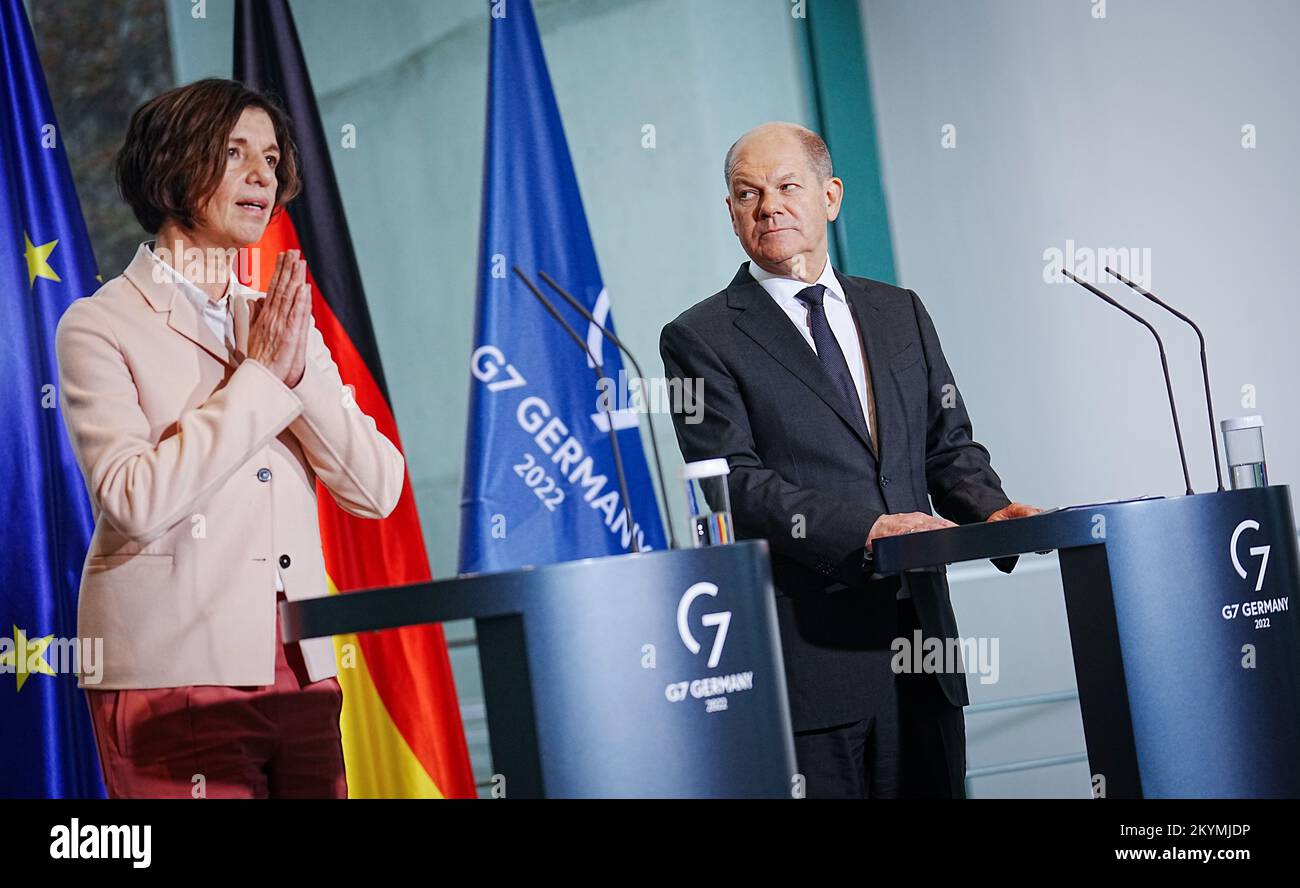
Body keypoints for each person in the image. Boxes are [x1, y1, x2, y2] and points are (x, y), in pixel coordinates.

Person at [660, 122, 1040, 798]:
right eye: (747, 193)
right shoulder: (698, 337)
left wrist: (995, 509)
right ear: (731, 214)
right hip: (811, 667)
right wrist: (864, 531)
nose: (768, 205)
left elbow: (946, 446)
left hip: (923, 647)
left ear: (830, 196)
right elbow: (734, 486)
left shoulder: (899, 312)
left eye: (786, 186)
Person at [55, 78, 405, 798]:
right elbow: (134, 498)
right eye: (234, 153)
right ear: (172, 166)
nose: (262, 177)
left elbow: (377, 489)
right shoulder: (99, 323)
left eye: (272, 160)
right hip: (170, 675)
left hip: (299, 673)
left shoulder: (278, 318)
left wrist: (292, 367)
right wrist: (262, 382)